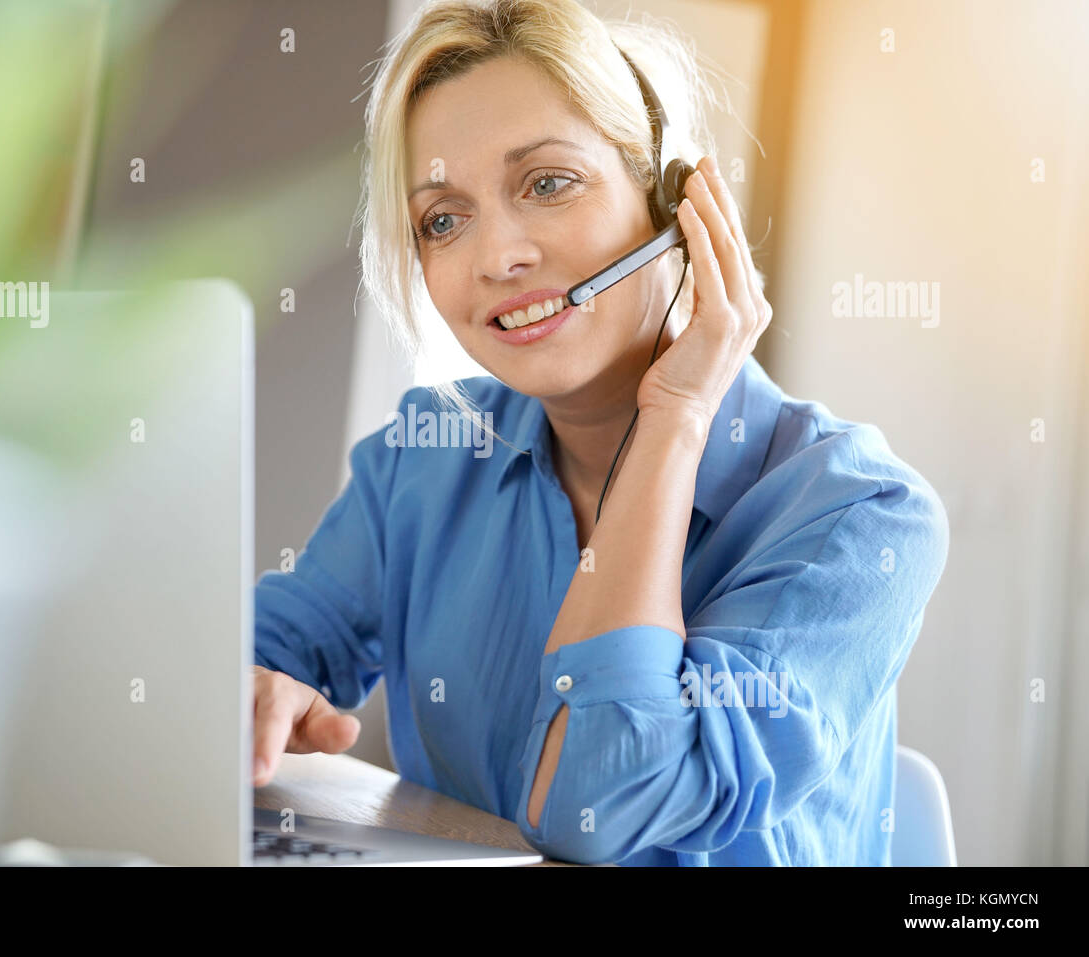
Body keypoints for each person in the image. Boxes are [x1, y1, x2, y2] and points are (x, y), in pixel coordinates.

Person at [251, 0, 949, 866]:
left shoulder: (862, 515)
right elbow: (260, 653)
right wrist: (251, 694)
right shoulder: (425, 453)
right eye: (442, 219)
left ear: (675, 201)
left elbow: (602, 809)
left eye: (547, 182)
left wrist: (675, 419)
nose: (496, 257)